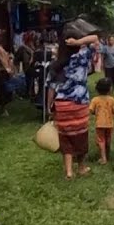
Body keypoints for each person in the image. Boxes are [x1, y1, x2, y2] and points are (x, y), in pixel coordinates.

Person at [47, 26, 102, 180]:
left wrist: (49, 108)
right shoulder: (82, 57)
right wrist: (78, 41)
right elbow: (95, 39)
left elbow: (51, 88)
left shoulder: (57, 64)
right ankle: (82, 167)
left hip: (62, 104)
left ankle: (69, 171)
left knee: (65, 136)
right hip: (79, 102)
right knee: (80, 135)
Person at [90, 79, 114, 165]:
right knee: (108, 139)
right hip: (109, 123)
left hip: (99, 123)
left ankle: (103, 158)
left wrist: (96, 112)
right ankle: (108, 155)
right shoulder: (112, 99)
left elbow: (91, 110)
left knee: (101, 140)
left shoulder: (95, 100)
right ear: (109, 89)